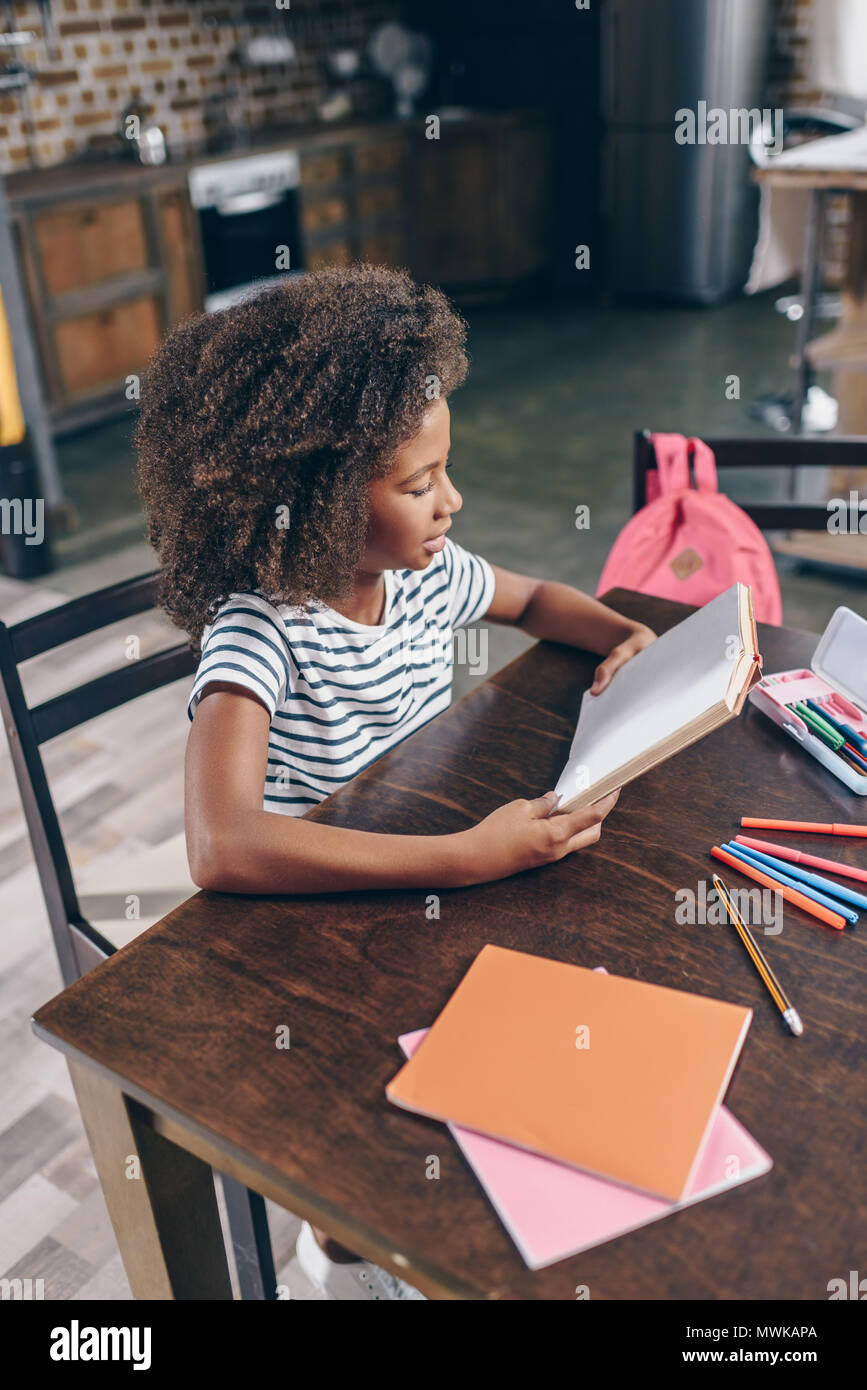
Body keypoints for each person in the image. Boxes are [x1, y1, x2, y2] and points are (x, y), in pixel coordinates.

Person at [135, 262, 656, 1298]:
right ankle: (339, 1254)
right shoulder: (262, 629)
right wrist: (465, 858)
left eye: (445, 471)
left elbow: (541, 596)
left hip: (415, 875)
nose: (451, 501)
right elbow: (222, 844)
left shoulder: (420, 576)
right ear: (317, 498)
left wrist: (627, 631)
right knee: (380, 1100)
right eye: (419, 484)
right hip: (308, 921)